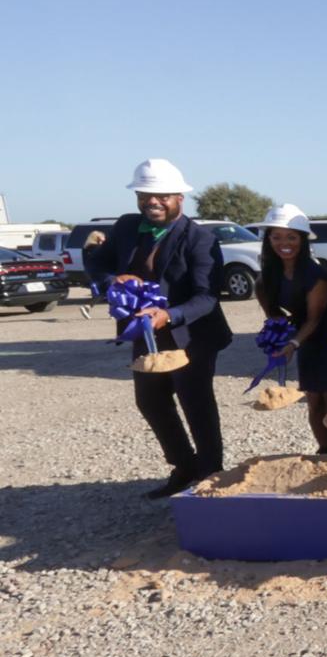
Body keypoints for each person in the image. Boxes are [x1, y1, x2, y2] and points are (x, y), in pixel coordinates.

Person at [87, 159, 233, 498]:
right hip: (146, 333)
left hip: (191, 334)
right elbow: (97, 263)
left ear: (180, 197)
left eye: (161, 196)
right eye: (144, 195)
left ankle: (211, 474)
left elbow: (207, 297)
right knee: (150, 401)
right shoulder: (126, 227)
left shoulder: (200, 239)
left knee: (195, 402)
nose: (152, 202)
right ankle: (185, 466)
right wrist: (113, 280)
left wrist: (170, 315)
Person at [256, 204, 327, 454]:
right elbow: (274, 316)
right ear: (268, 240)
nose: (284, 242)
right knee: (313, 399)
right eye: (276, 237)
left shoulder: (316, 273)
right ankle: (323, 449)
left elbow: (315, 318)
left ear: (302, 239)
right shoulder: (265, 278)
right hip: (305, 338)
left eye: (291, 237)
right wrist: (276, 338)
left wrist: (293, 344)